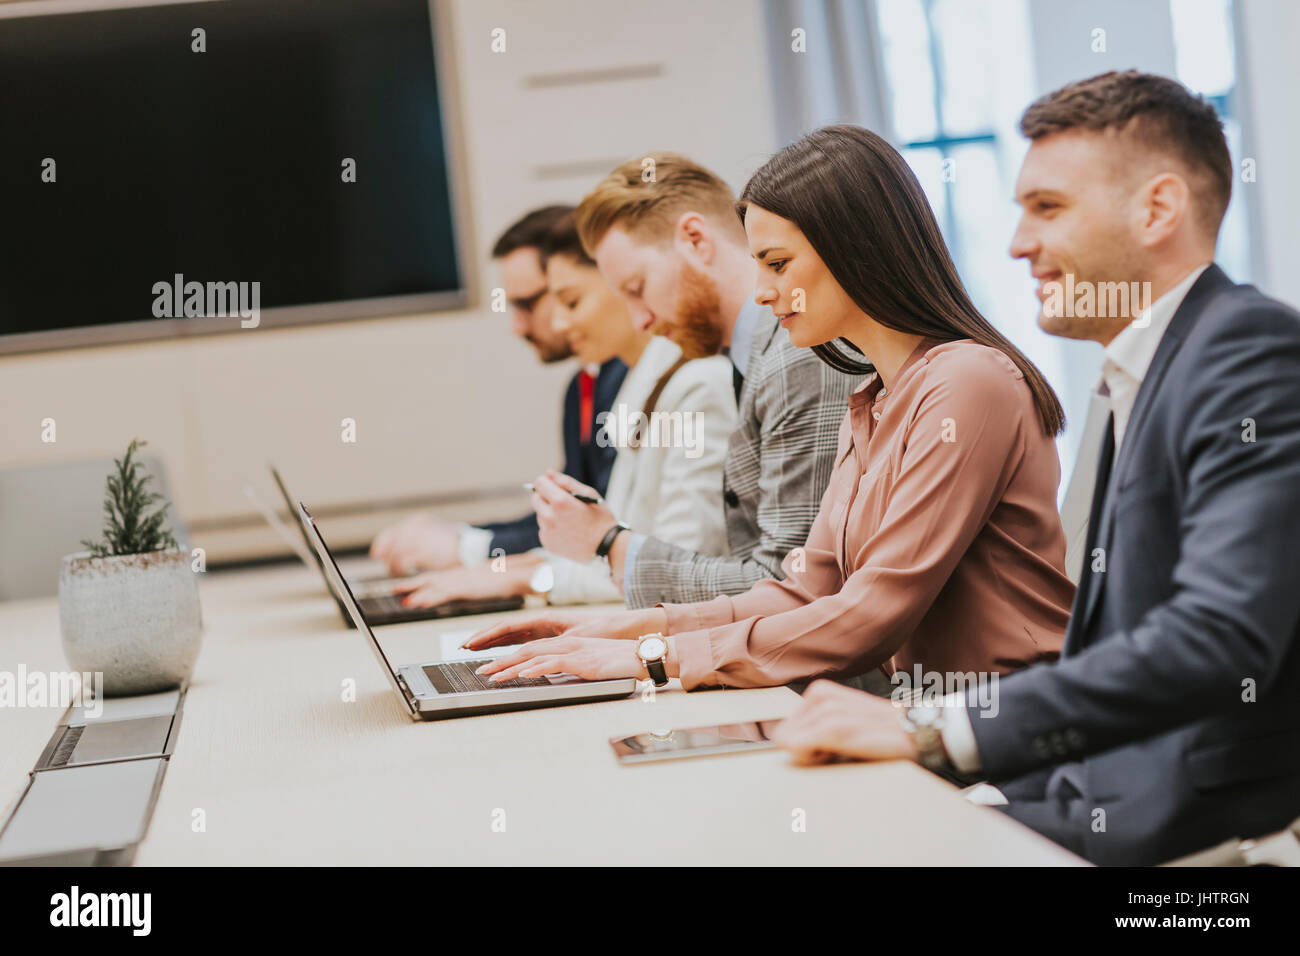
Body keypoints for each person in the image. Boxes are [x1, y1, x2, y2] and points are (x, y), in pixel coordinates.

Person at [771, 71, 1300, 867]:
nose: (1018, 242)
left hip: (1201, 845)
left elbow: (1216, 638)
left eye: (1047, 208)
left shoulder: (1245, 350)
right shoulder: (1152, 369)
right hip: (1095, 799)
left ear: (1157, 209)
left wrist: (933, 730)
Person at [469, 125, 1074, 693]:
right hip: (931, 719)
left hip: (1006, 733)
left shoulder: (965, 382)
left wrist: (651, 658)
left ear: (856, 251)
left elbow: (870, 614)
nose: (760, 291)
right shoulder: (872, 398)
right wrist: (630, 630)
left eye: (778, 264)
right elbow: (809, 590)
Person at [397, 211, 735, 607]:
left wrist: (531, 577)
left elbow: (671, 563)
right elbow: (619, 544)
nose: (558, 322)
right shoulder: (635, 386)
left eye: (570, 301)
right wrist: (523, 571)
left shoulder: (696, 382)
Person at [369, 205, 627, 576]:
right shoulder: (582, 386)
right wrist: (464, 536)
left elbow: (608, 524)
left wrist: (469, 549)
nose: (518, 327)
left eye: (527, 304)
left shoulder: (630, 377)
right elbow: (568, 516)